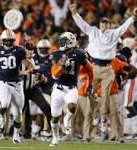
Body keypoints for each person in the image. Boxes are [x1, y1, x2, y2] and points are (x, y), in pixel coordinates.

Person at [69, 3, 137, 140]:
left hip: (107, 68)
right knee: (90, 95)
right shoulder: (93, 31)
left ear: (109, 25)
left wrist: (133, 17)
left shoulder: (113, 34)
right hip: (93, 67)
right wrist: (74, 13)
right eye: (103, 24)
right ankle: (94, 124)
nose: (104, 26)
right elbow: (82, 24)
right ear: (100, 25)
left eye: (107, 24)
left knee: (105, 94)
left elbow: (123, 27)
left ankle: (102, 121)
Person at [0, 29, 34, 143]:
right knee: (4, 105)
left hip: (17, 84)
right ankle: (2, 120)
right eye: (6, 40)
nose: (8, 43)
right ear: (3, 40)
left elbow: (29, 65)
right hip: (3, 83)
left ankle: (16, 135)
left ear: (14, 41)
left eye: (10, 41)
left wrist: (26, 71)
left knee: (18, 112)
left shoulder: (19, 50)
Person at [50, 31, 89, 146]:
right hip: (58, 87)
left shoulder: (79, 54)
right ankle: (55, 138)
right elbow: (53, 75)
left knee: (72, 107)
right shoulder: (56, 54)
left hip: (71, 88)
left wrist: (89, 83)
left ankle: (67, 120)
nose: (61, 42)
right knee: (55, 117)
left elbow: (90, 69)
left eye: (64, 41)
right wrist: (61, 66)